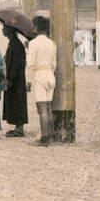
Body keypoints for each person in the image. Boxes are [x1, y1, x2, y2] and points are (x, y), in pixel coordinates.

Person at [25, 16, 57, 146]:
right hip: (50, 74)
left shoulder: (33, 43)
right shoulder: (52, 43)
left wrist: (28, 80)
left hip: (39, 75)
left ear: (37, 28)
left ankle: (44, 138)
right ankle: (49, 136)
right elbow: (54, 64)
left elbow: (30, 64)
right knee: (48, 108)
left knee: (41, 109)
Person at [1, 23, 28, 137]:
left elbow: (16, 65)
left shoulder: (17, 45)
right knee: (14, 102)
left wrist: (10, 80)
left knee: (18, 102)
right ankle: (17, 126)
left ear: (10, 30)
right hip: (13, 79)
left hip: (16, 80)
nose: (3, 29)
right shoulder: (13, 43)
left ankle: (20, 128)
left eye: (5, 28)